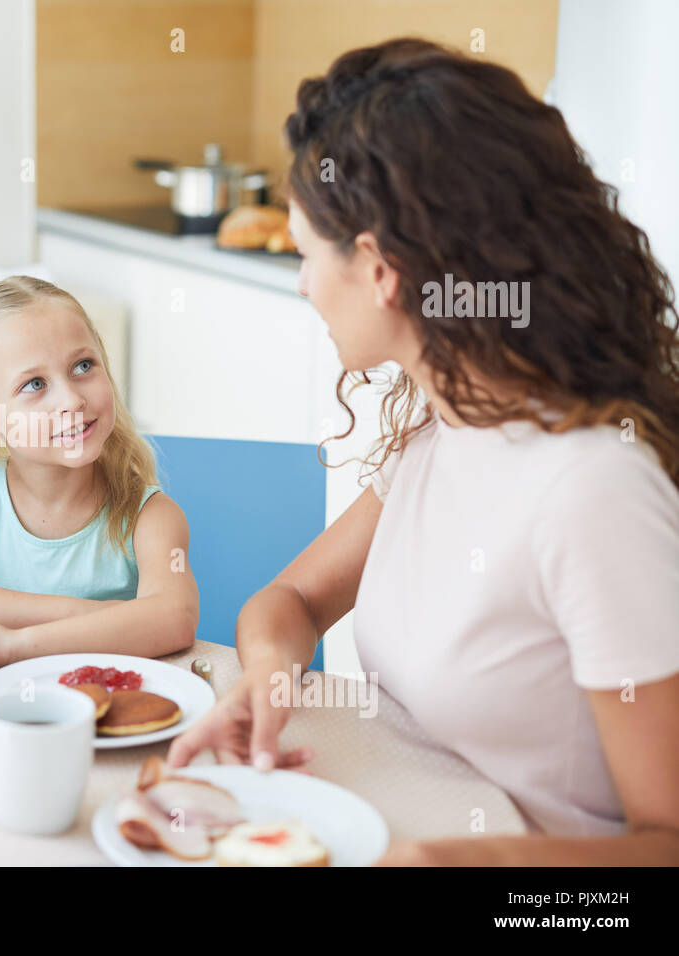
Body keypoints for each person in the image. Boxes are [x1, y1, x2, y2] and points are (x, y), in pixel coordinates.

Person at [169, 38, 679, 865]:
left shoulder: (593, 491)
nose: (301, 284)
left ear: (379, 269)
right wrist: (268, 677)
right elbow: (290, 601)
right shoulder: (446, 427)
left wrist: (459, 861)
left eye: (305, 254)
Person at [0, 276, 198, 667]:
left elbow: (175, 618)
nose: (72, 399)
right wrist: (93, 615)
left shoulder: (150, 516)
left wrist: (14, 644)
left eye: (83, 365)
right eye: (34, 384)